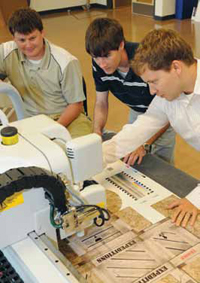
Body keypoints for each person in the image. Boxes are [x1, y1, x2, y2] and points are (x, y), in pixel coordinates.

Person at [102, 28, 200, 227]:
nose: (152, 90)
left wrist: (196, 199)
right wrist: (91, 159)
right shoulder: (168, 96)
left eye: (154, 81)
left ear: (176, 67)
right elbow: (138, 130)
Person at [85, 18, 175, 165]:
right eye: (96, 58)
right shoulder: (100, 63)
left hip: (163, 117)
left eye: (107, 56)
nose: (101, 64)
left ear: (121, 45)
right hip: (137, 113)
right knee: (132, 162)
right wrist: (97, 133)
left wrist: (143, 144)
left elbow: (168, 111)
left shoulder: (146, 59)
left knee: (162, 167)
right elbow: (101, 102)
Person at [0, 8, 92, 138]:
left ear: (42, 33)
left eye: (32, 38)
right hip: (31, 120)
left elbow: (76, 106)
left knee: (76, 151)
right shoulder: (6, 52)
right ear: (14, 38)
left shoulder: (66, 61)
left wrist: (53, 131)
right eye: (22, 40)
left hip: (68, 119)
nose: (28, 45)